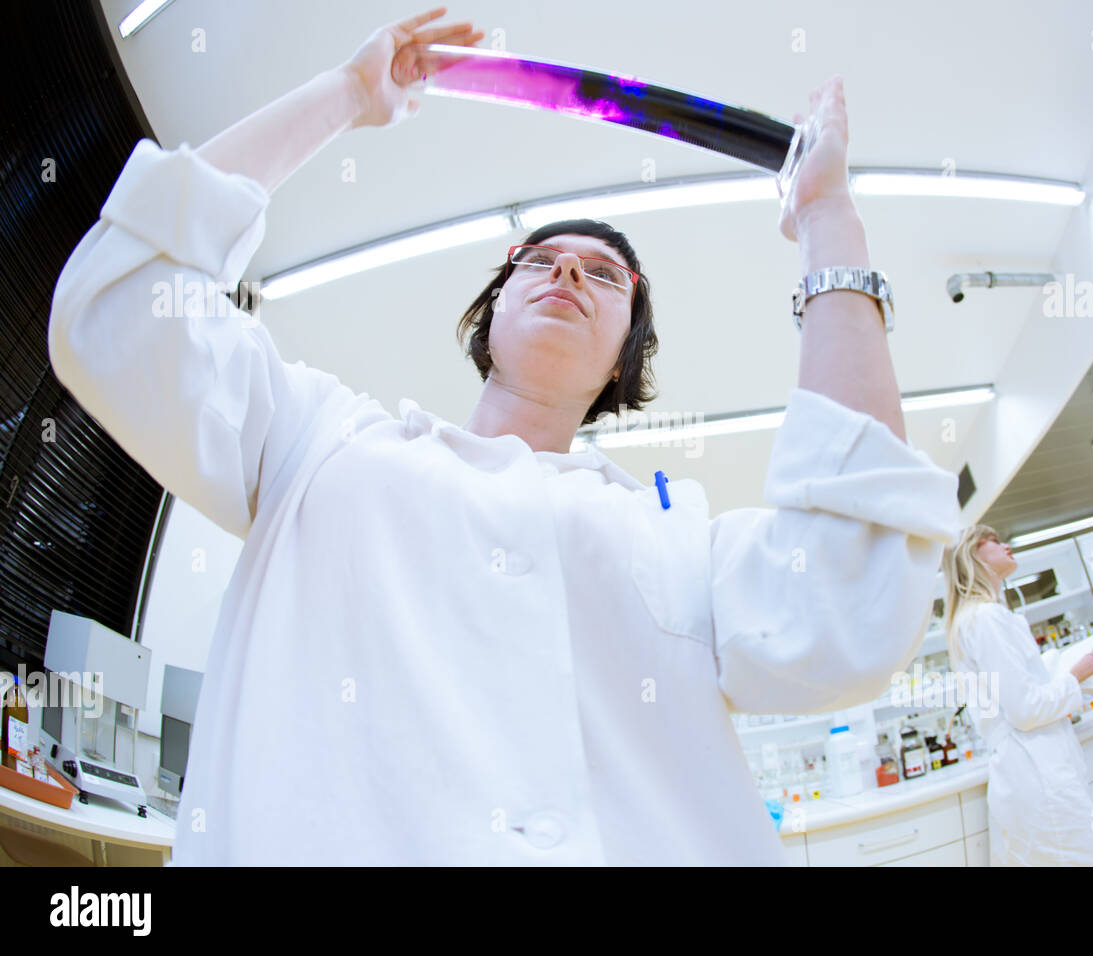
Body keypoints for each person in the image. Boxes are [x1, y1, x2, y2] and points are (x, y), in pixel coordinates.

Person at [47, 7, 959, 864]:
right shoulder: (313, 440)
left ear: (621, 361)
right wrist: (346, 97)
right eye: (539, 258)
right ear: (489, 318)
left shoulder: (682, 536)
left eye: (606, 274)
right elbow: (124, 308)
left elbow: (852, 601)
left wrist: (831, 221)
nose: (568, 265)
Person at [942, 525, 1093, 866]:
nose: (1007, 545)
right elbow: (1026, 709)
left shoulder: (983, 618)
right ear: (973, 554)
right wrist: (1075, 675)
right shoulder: (985, 619)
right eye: (995, 540)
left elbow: (1020, 691)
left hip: (1033, 770)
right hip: (1037, 773)